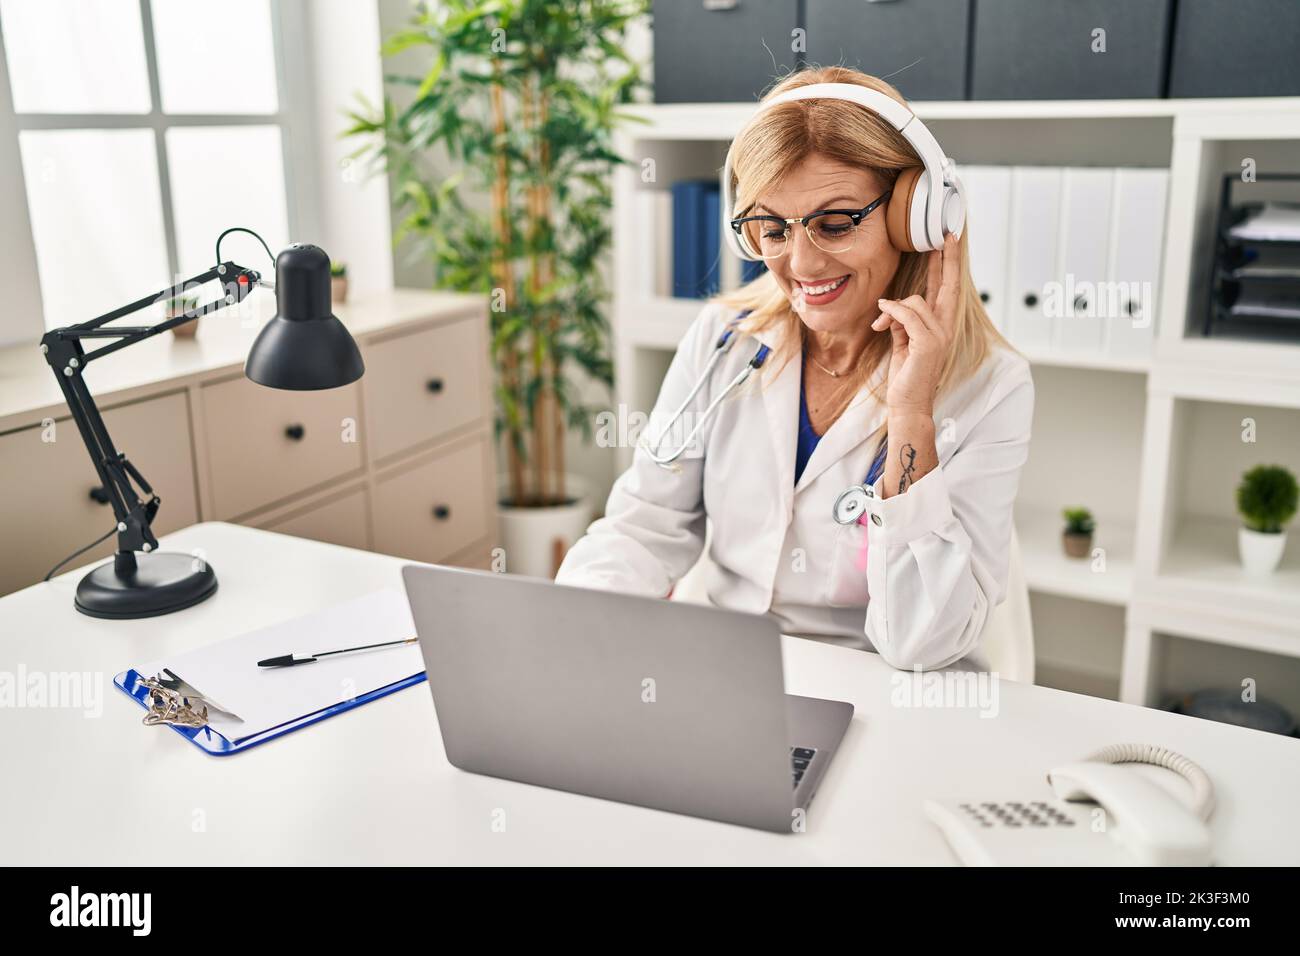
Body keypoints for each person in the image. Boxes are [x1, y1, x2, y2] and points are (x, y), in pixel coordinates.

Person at [556, 66, 1033, 670]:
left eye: (835, 223)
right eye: (772, 227)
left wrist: (912, 413)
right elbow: (645, 524)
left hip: (881, 690)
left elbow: (925, 644)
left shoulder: (991, 386)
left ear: (916, 216)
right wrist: (574, 625)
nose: (801, 263)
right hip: (723, 669)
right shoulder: (724, 339)